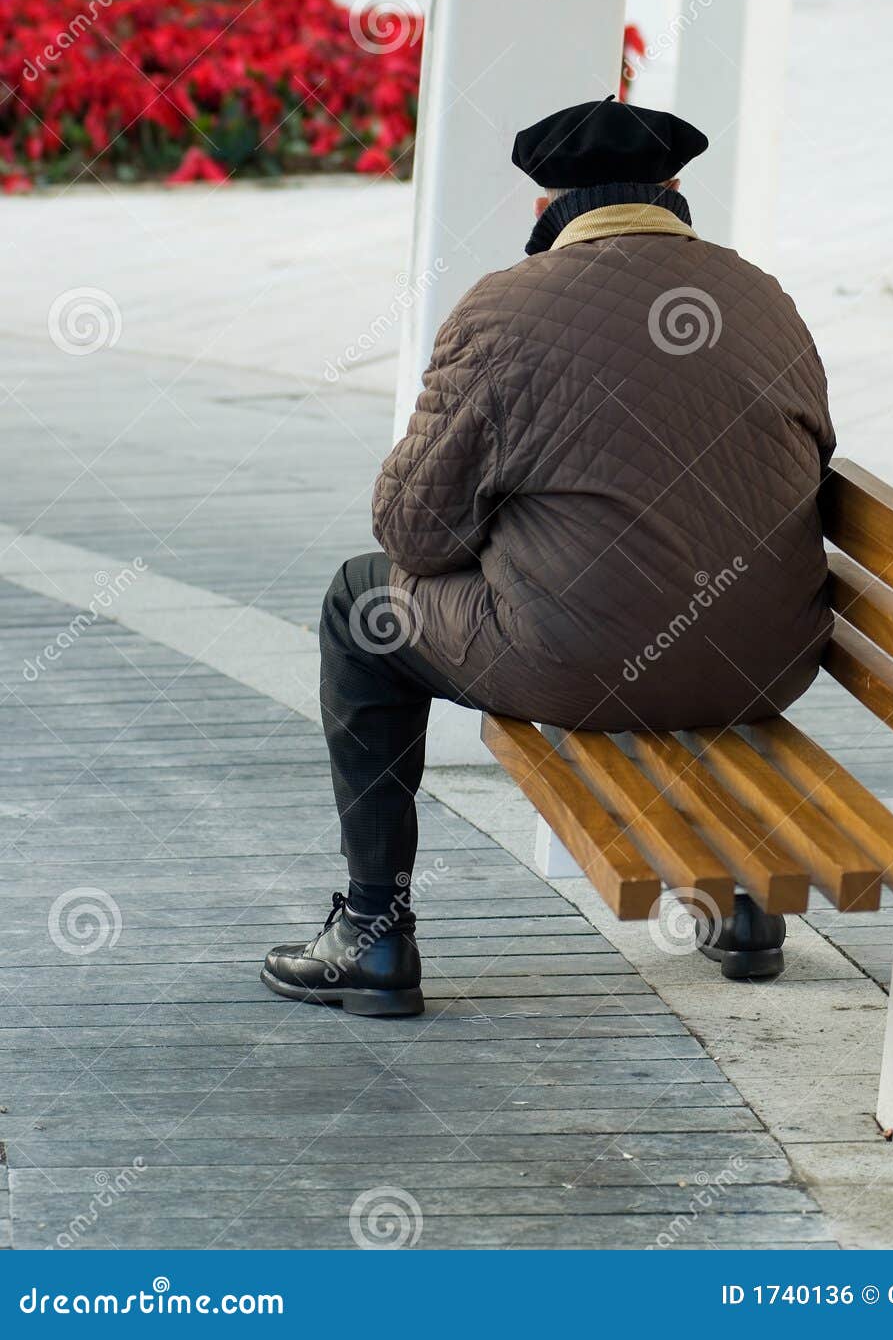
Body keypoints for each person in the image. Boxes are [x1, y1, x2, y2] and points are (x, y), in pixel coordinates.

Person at [261, 96, 835, 1016]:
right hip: (766, 661)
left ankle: (371, 936)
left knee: (358, 606)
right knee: (671, 571)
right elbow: (809, 458)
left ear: (546, 209)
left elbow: (411, 533)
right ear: (673, 191)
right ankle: (739, 898)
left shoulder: (501, 307)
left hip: (582, 665)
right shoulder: (759, 293)